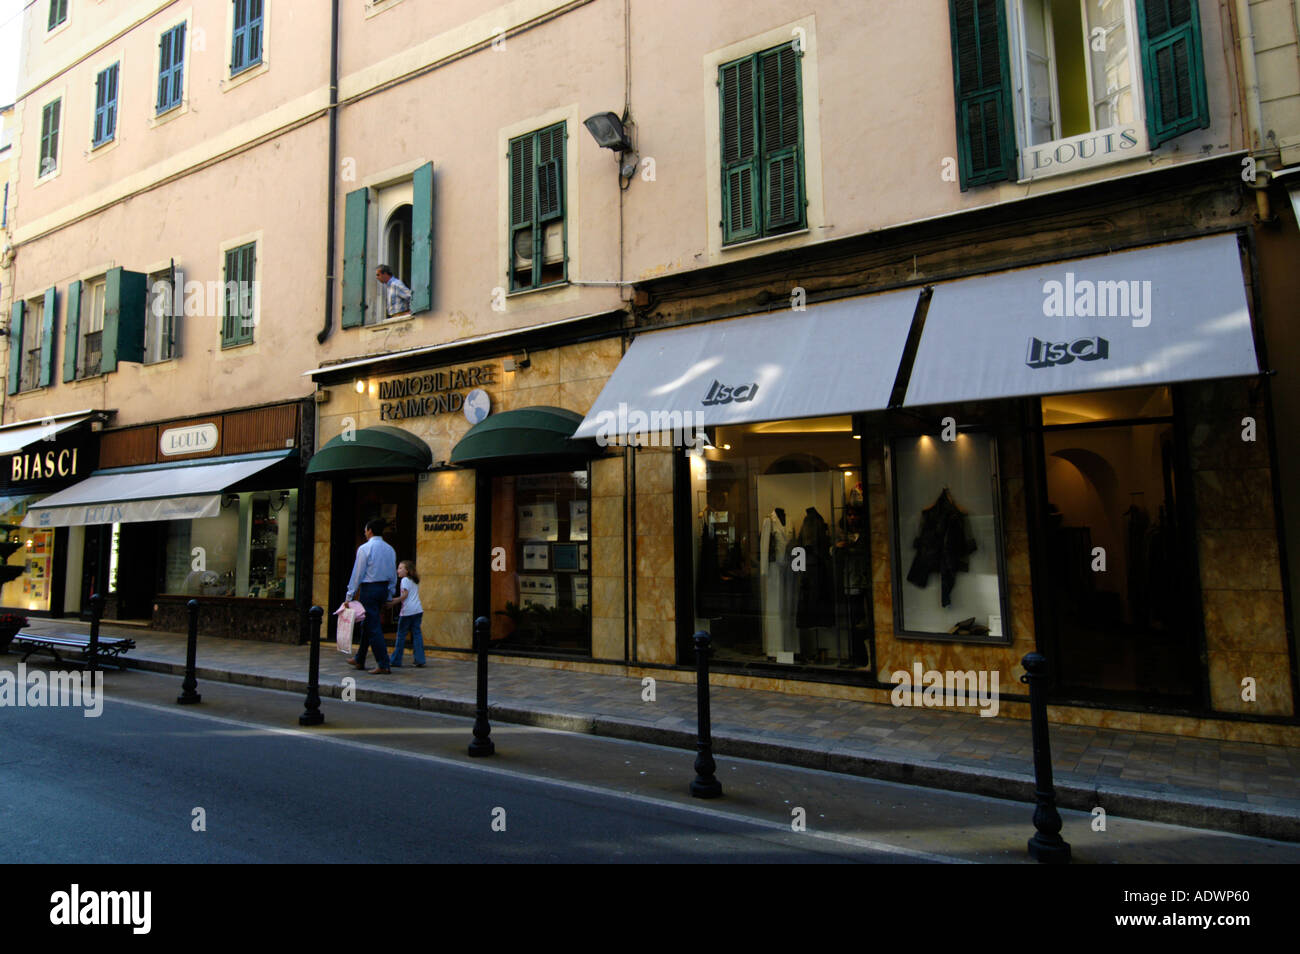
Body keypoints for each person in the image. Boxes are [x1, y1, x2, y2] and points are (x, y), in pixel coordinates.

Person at [345, 518, 397, 674]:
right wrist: (390, 593)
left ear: (370, 531)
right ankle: (360, 658)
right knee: (368, 623)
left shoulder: (365, 548)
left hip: (369, 589)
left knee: (373, 626)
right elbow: (393, 573)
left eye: (366, 530)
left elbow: (357, 573)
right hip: (383, 588)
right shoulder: (390, 549)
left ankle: (383, 663)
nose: (365, 533)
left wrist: (350, 595)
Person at [388, 559, 425, 668]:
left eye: (400, 568)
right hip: (418, 610)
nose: (397, 570)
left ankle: (395, 660)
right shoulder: (414, 580)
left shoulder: (404, 580)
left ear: (407, 571)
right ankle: (420, 659)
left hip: (407, 611)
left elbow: (404, 595)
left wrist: (394, 601)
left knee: (401, 636)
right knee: (417, 635)